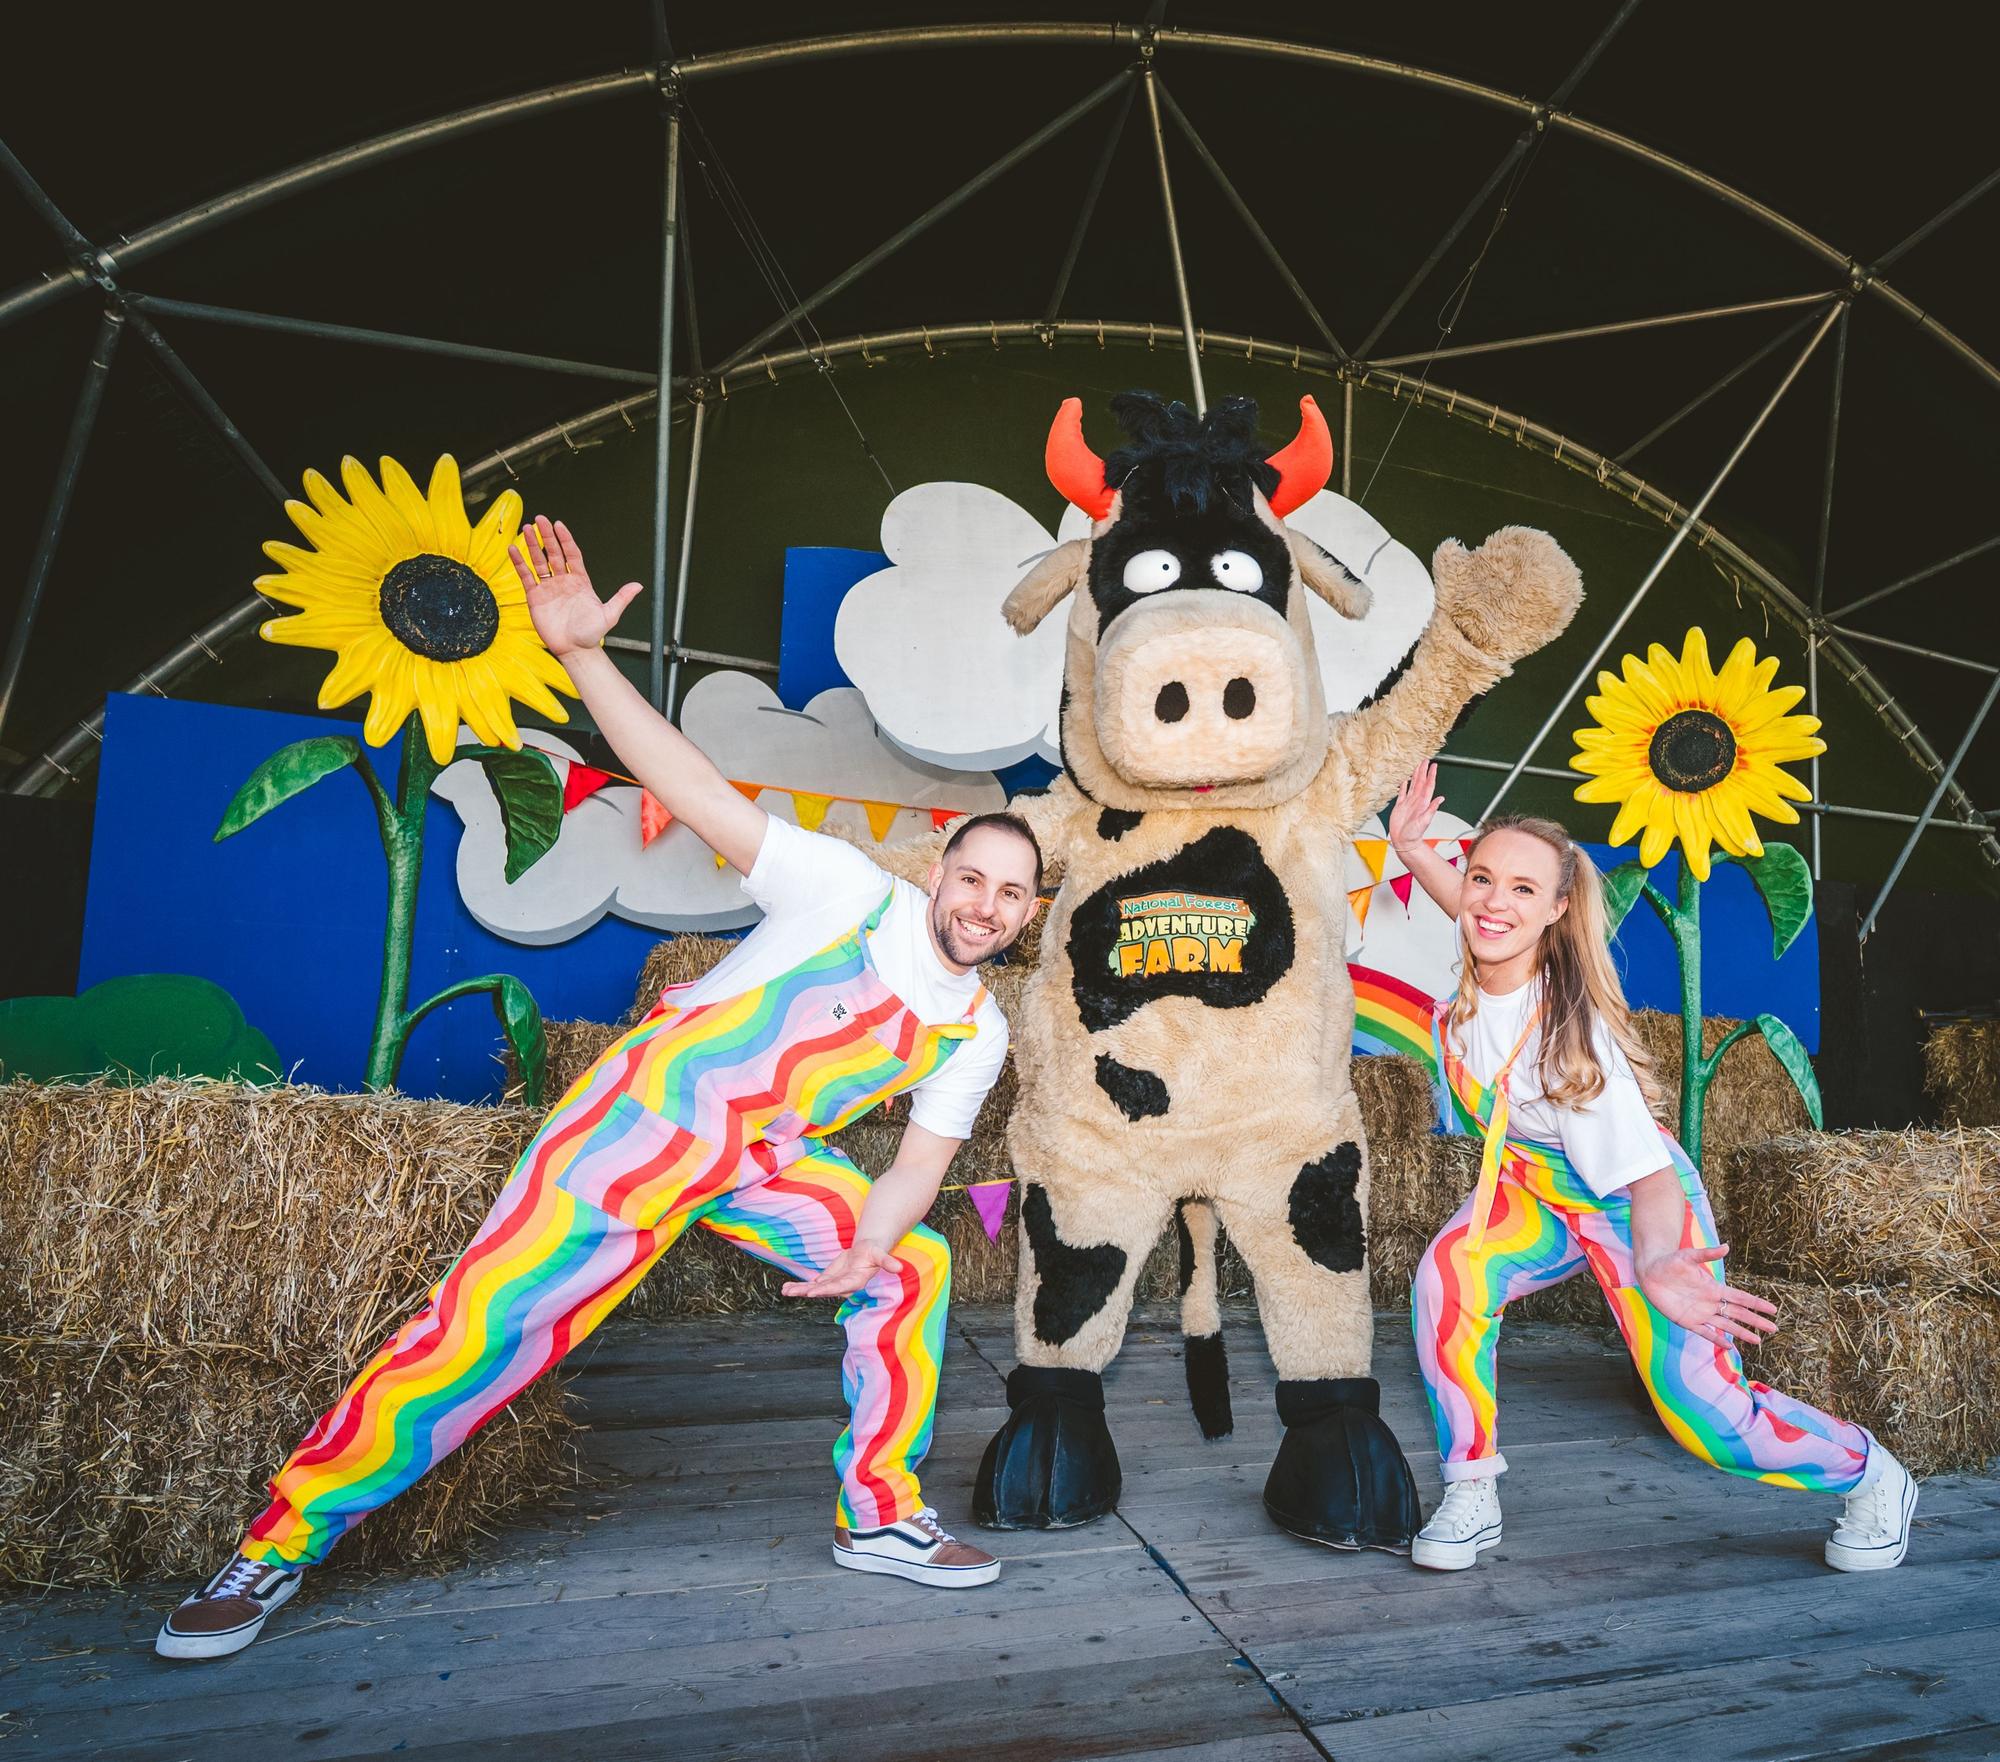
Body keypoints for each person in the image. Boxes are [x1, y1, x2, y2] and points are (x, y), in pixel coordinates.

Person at [158, 517, 1043, 1659]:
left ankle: (878, 1515)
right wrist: (581, 653)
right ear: (938, 872)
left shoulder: (972, 1029)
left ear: (1024, 916)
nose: (983, 901)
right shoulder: (843, 890)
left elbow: (919, 1169)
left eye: (1010, 892)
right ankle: (273, 1552)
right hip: (626, 1139)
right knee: (479, 1335)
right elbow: (685, 779)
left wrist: (866, 1251)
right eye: (971, 874)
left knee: (912, 1262)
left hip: (750, 1166)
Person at [1388, 760, 1916, 1575]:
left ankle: (1869, 1473)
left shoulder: (1571, 1048)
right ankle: (1471, 1487)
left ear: (1559, 910)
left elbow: (1649, 1180)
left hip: (1629, 1201)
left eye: (1524, 890)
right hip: (1531, 1186)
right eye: (1483, 878)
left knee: (1707, 1417)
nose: (1494, 901)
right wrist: (1414, 845)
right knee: (1447, 1279)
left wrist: (1662, 1261)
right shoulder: (1482, 957)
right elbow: (1475, 912)